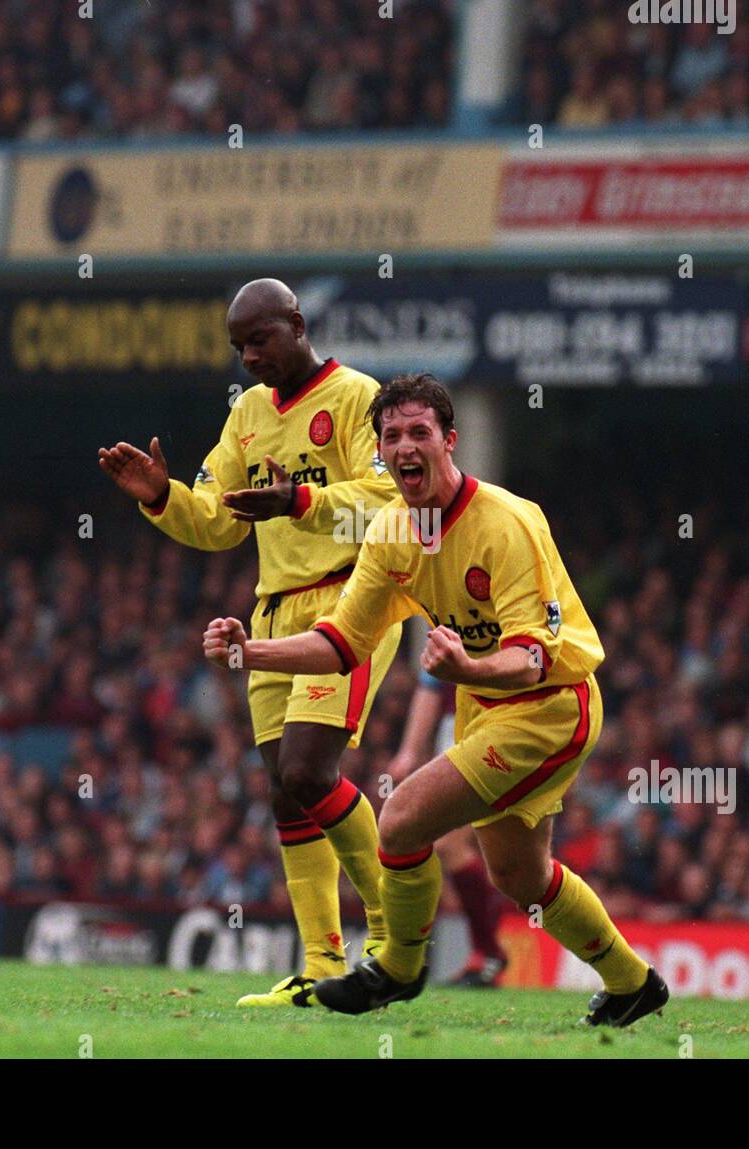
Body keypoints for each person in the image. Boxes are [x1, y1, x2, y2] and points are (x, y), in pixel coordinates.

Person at [204, 373, 667, 1026]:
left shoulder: (506, 522)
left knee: (403, 818)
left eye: (419, 431)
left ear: (450, 441)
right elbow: (341, 642)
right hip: (489, 706)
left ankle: (395, 968)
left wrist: (468, 664)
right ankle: (633, 982)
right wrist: (250, 652)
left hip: (550, 703)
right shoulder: (391, 530)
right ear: (381, 452)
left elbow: (531, 656)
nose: (404, 446)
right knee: (519, 876)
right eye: (390, 436)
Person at [99, 278, 401, 1008]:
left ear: (297, 325)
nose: (248, 359)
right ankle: (323, 961)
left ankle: (397, 936)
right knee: (285, 791)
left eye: (259, 340)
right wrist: (162, 496)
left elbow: (390, 500)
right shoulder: (248, 416)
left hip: (351, 598)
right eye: (238, 348)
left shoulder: (358, 397)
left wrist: (299, 499)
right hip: (272, 611)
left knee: (307, 769)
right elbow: (217, 519)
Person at [387, 669, 509, 987]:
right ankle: (486, 953)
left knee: (463, 847)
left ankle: (488, 952)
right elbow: (430, 684)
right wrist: (409, 751)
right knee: (454, 846)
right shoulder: (441, 622)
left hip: (502, 724)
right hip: (456, 730)